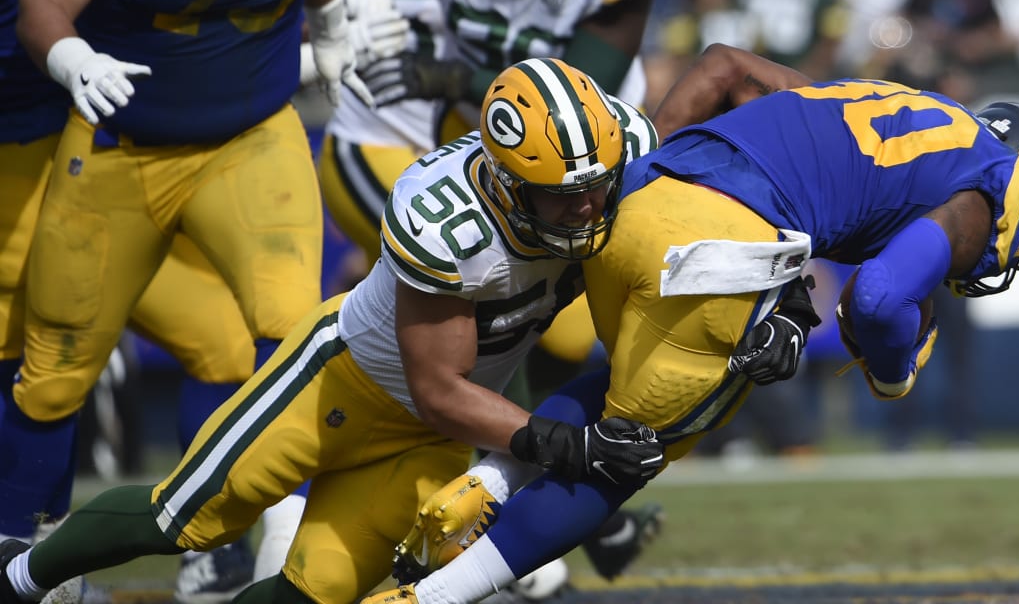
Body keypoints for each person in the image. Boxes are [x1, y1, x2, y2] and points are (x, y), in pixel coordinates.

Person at [365, 43, 1019, 604]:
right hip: (716, 247)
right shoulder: (984, 187)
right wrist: (895, 373)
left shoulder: (903, 108)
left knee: (622, 388)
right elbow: (877, 298)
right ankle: (435, 594)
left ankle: (489, 483)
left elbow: (731, 79)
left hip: (640, 194)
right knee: (628, 453)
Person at [0, 58, 668, 604]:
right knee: (183, 517)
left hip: (438, 433)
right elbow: (437, 387)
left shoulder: (627, 155)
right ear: (506, 181)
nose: (586, 206)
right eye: (562, 193)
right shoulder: (448, 222)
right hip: (342, 382)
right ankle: (18, 577)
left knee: (315, 591)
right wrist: (563, 445)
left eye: (598, 185)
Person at [3, 0, 372, 600]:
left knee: (295, 334)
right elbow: (42, 1)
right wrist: (74, 58)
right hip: (120, 146)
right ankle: (17, 545)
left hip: (251, 135)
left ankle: (280, 534)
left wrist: (327, 22)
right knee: (55, 372)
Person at [326, 0, 674, 582]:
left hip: (570, 178)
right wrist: (318, 18)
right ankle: (502, 532)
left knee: (568, 338)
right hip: (452, 166)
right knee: (468, 323)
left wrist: (451, 72)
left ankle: (532, 508)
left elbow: (585, 81)